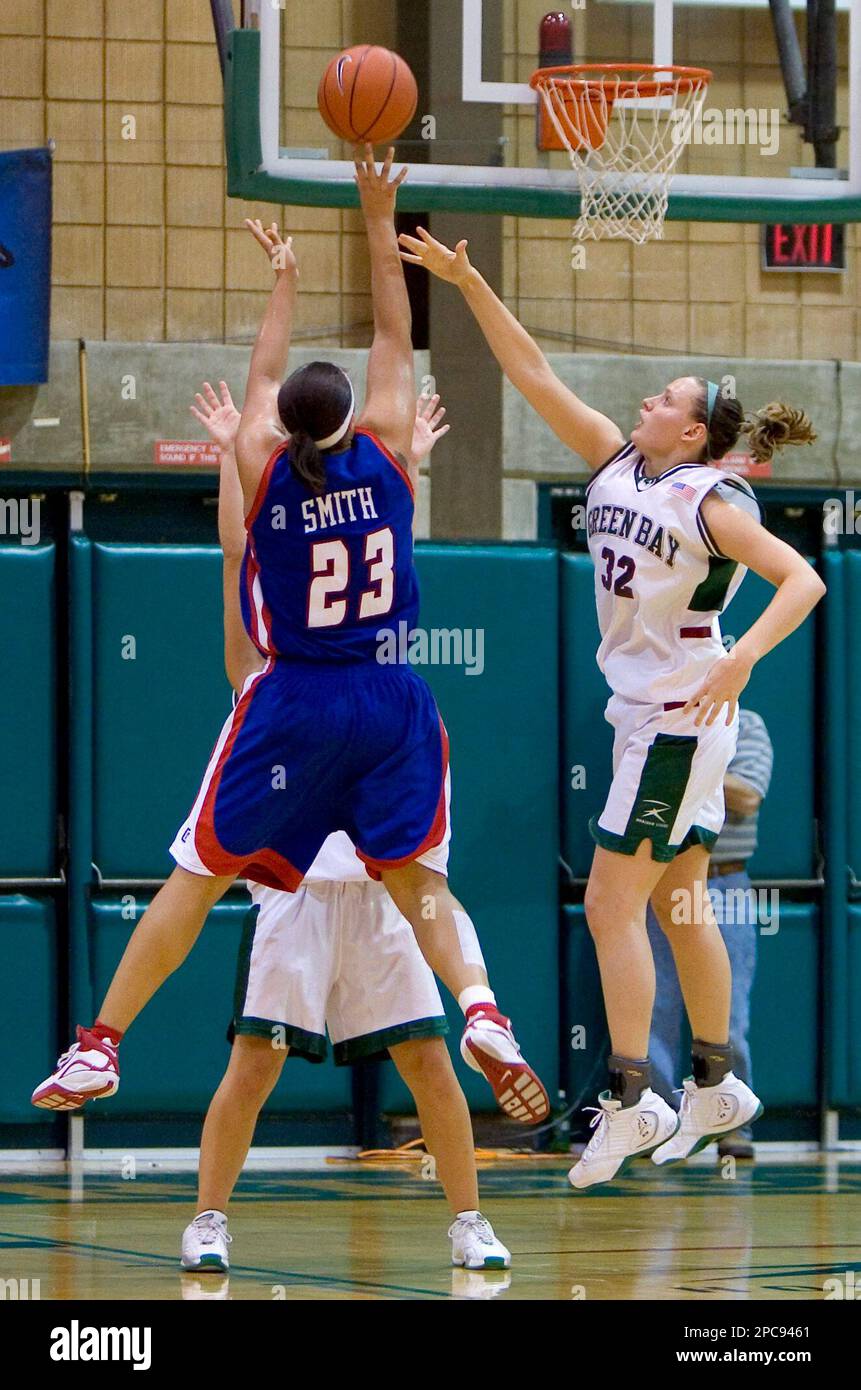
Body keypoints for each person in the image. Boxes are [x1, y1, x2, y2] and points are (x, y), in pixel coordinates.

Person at [33, 149, 549, 1129]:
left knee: (197, 873)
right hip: (393, 700)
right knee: (422, 880)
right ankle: (483, 1007)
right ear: (358, 418)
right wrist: (375, 209)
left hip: (294, 698)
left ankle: (100, 1044)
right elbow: (397, 331)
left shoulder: (260, 467)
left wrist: (285, 282)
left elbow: (262, 377)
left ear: (279, 429)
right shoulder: (394, 451)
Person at [398, 225, 825, 1188]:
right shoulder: (614, 462)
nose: (646, 398)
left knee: (608, 905)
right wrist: (467, 285)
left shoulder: (713, 500)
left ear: (691, 432)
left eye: (664, 398)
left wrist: (742, 659)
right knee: (678, 902)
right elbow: (534, 374)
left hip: (675, 715)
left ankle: (633, 1099)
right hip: (652, 715)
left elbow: (802, 581)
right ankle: (715, 1085)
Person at [178, 380, 510, 1274]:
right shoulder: (263, 678)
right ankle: (208, 1219)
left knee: (431, 1066)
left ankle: (467, 1222)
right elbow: (236, 546)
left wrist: (411, 468)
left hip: (385, 898)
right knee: (253, 1067)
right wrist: (229, 459)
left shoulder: (373, 670)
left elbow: (378, 543)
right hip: (297, 898)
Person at [647, 706, 774, 1162]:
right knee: (654, 1008)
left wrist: (687, 766)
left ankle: (731, 1125)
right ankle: (658, 1123)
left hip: (725, 883)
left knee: (731, 1011)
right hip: (659, 878)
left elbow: (749, 795)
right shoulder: (655, 719)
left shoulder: (749, 725)